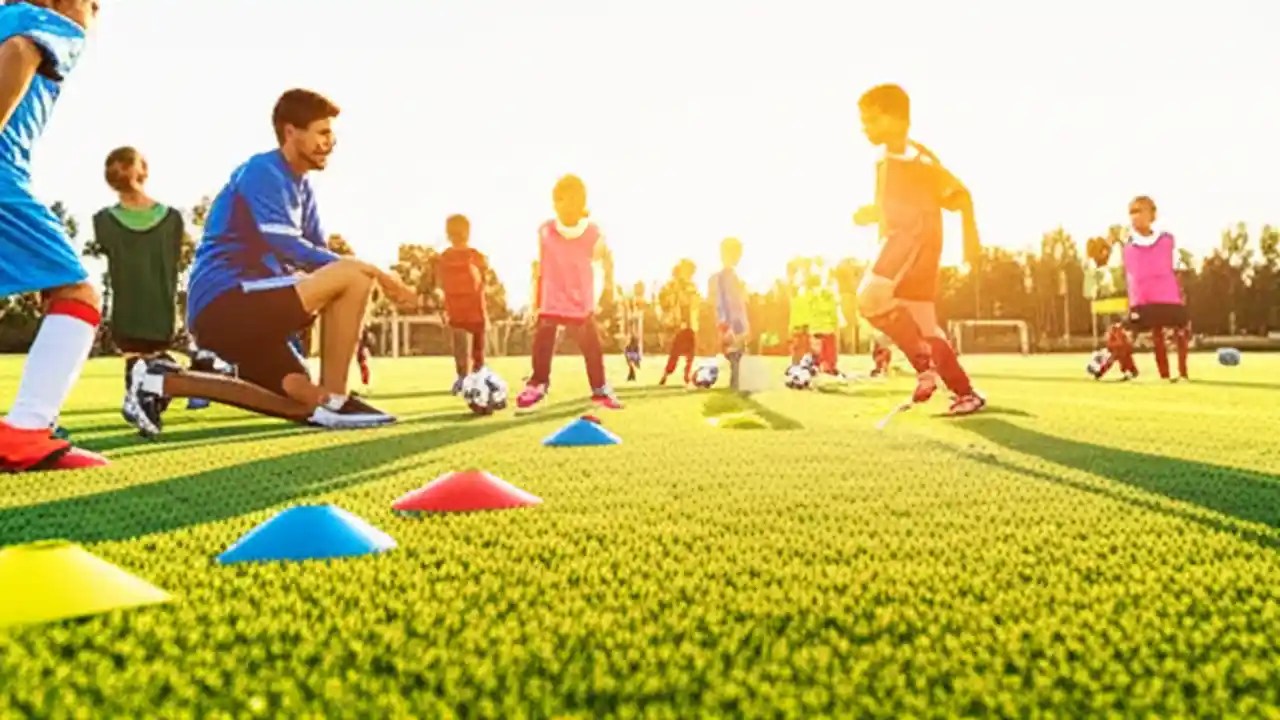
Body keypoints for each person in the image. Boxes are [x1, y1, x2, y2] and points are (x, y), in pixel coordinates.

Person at [123, 89, 419, 437]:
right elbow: (290, 247)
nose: (331, 142)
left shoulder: (303, 187)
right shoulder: (263, 170)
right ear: (291, 132)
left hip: (250, 314)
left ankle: (159, 381)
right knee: (356, 274)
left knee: (305, 401)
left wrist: (353, 323)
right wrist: (378, 273)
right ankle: (338, 400)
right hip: (226, 299)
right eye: (322, 133)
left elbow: (321, 262)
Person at [0, 0, 108, 471]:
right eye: (93, 4)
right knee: (77, 292)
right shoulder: (48, 23)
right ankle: (26, 432)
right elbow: (20, 51)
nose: (96, 13)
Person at [852, 83, 985, 415]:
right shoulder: (887, 160)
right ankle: (964, 393)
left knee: (869, 298)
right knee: (926, 325)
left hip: (911, 241)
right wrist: (874, 214)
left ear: (898, 119)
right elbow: (895, 204)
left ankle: (924, 364)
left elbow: (960, 196)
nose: (865, 128)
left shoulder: (919, 161)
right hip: (906, 243)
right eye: (863, 121)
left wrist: (971, 242)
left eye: (872, 120)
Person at [92, 147, 191, 423]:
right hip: (127, 313)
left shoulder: (172, 219)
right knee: (137, 363)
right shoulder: (103, 221)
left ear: (143, 170)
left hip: (161, 311)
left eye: (127, 164)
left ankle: (142, 402)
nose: (120, 170)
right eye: (113, 166)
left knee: (162, 367)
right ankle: (140, 406)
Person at [516, 174, 621, 412]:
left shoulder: (592, 232)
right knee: (543, 340)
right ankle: (538, 383)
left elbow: (606, 258)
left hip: (580, 300)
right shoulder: (545, 231)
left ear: (583, 203)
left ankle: (600, 388)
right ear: (555, 203)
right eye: (564, 200)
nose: (570, 206)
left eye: (576, 200)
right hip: (552, 298)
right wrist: (535, 299)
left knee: (591, 347)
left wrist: (609, 287)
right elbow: (539, 265)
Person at [1123, 196, 1190, 382]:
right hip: (1142, 301)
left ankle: (1182, 373)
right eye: (1132, 212)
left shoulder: (1167, 240)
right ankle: (1138, 371)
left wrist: (1180, 291)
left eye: (1140, 211)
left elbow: (1179, 267)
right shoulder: (1126, 244)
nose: (1135, 216)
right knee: (1134, 334)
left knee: (1180, 329)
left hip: (1168, 297)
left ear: (1152, 215)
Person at [437, 213, 488, 394]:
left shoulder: (444, 257)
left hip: (456, 307)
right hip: (473, 306)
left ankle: (463, 377)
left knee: (461, 344)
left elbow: (439, 282)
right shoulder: (475, 256)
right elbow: (484, 280)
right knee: (477, 345)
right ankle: (476, 376)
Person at [708, 237, 750, 391]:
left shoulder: (733, 276)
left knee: (737, 353)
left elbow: (739, 302)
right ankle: (733, 384)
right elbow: (720, 301)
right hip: (730, 322)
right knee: (733, 352)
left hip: (737, 321)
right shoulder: (722, 277)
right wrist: (724, 322)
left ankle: (736, 383)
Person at [659, 259, 699, 386]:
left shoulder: (689, 285)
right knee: (677, 350)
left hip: (690, 321)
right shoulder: (678, 285)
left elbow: (694, 302)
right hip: (682, 321)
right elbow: (679, 302)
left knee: (689, 351)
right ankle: (669, 373)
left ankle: (684, 374)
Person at [622, 281, 645, 382]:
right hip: (634, 333)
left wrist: (632, 333)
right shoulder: (636, 305)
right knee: (629, 353)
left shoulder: (637, 306)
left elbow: (633, 321)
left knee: (630, 352)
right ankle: (632, 371)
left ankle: (632, 370)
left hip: (633, 334)